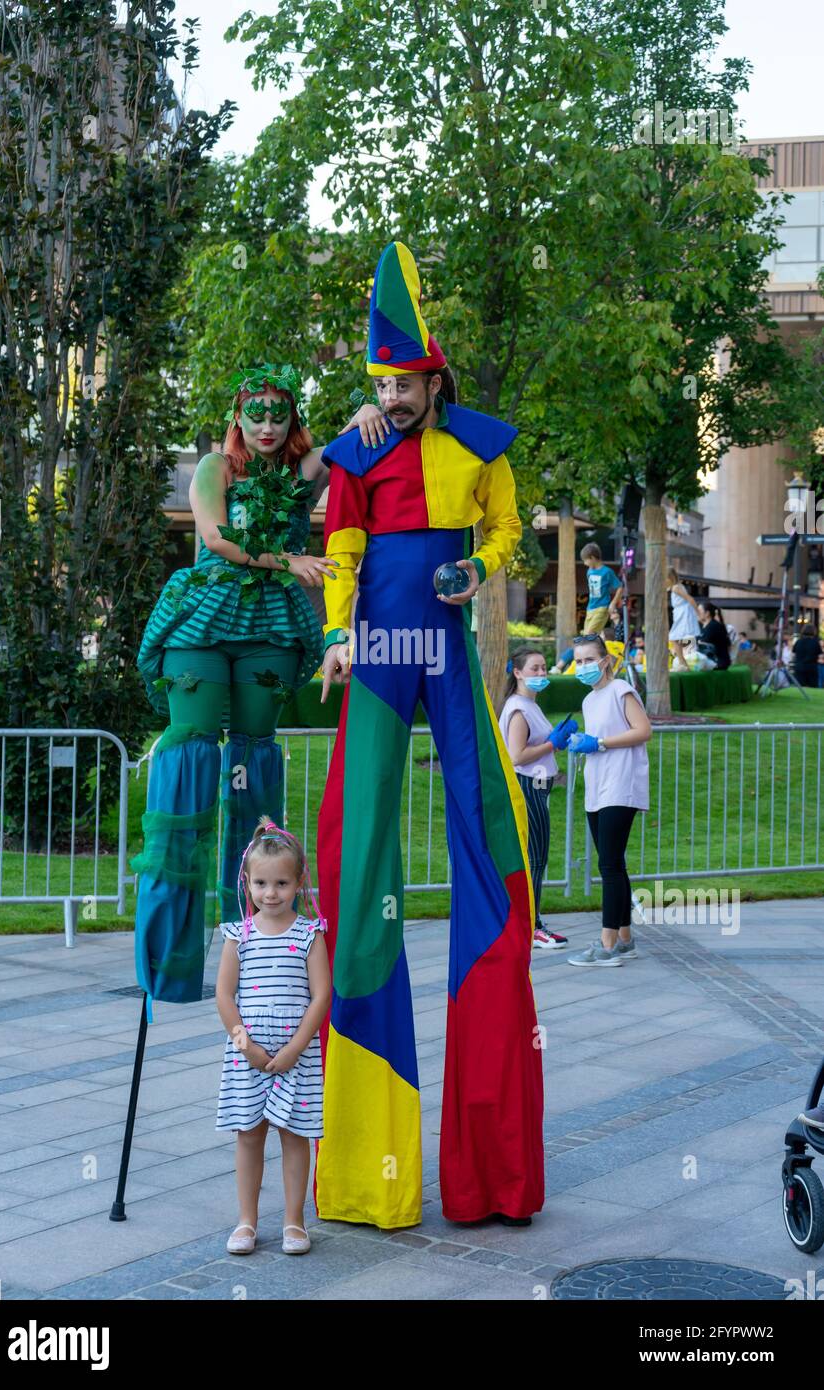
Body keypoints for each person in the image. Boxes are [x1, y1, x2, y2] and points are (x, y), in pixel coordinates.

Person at [315, 240, 544, 1229]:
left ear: (433, 377)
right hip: (375, 655)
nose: (394, 396)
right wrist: (333, 632)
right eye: (382, 382)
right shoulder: (355, 451)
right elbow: (339, 549)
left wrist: (481, 568)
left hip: (446, 654)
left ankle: (492, 1169)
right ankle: (371, 1172)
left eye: (406, 381)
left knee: (492, 861)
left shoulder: (479, 448)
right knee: (357, 864)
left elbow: (505, 531)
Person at [131, 365, 386, 1015]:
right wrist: (287, 561)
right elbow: (215, 538)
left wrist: (363, 412)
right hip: (206, 619)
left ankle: (254, 943)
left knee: (252, 766)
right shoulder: (216, 467)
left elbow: (347, 445)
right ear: (238, 418)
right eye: (257, 415)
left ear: (291, 419)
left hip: (269, 628)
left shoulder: (298, 475)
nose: (268, 427)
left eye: (279, 415)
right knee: (190, 755)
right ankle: (170, 954)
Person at [215, 817, 331, 1256]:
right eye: (261, 883)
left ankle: (294, 1222)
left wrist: (294, 1048)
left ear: (299, 881)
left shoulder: (308, 935)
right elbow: (225, 997)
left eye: (282, 883)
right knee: (249, 1133)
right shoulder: (237, 936)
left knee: (294, 1134)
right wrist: (248, 1047)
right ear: (247, 882)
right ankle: (246, 1221)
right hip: (248, 1054)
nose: (271, 893)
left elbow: (320, 996)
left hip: (295, 1054)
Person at [565, 634, 652, 967]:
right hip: (597, 788)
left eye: (590, 659)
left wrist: (599, 742)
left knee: (609, 866)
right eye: (579, 661)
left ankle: (607, 944)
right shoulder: (590, 700)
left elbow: (643, 730)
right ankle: (626, 939)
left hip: (621, 785)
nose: (584, 666)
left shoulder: (621, 691)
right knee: (613, 863)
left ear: (605, 660)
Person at [499, 645, 578, 949]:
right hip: (528, 786)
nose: (542, 673)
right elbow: (517, 755)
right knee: (534, 858)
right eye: (535, 668)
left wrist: (554, 737)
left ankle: (531, 922)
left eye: (544, 668)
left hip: (538, 786)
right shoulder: (518, 708)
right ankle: (531, 926)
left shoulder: (529, 705)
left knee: (537, 857)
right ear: (517, 672)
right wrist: (552, 744)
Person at [581, 543, 622, 636]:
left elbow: (619, 587)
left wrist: (613, 603)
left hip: (602, 607)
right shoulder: (589, 571)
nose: (584, 563)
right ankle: (600, 649)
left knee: (589, 635)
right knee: (587, 637)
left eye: (585, 560)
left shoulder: (607, 572)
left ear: (592, 558)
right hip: (590, 608)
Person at [667, 567, 701, 670]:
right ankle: (683, 662)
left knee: (674, 637)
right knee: (677, 637)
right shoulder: (676, 587)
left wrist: (698, 613)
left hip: (683, 613)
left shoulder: (676, 588)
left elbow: (690, 598)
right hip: (680, 612)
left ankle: (683, 663)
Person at [697, 602, 731, 670]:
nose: (697, 613)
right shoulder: (702, 626)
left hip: (718, 663)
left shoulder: (715, 626)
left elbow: (703, 643)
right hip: (708, 661)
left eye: (699, 611)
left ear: (707, 613)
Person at [791, 623, 822, 687]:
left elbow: (793, 653)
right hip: (811, 668)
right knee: (812, 687)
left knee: (800, 688)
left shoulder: (798, 642)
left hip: (799, 667)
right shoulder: (815, 642)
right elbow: (819, 654)